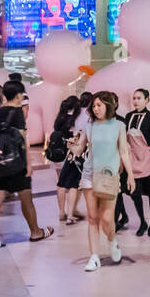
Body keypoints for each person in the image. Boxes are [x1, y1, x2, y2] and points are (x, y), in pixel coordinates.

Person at [0, 81, 54, 247]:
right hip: (17, 164)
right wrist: (28, 165)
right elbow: (22, 141)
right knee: (26, 198)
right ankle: (36, 232)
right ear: (19, 95)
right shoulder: (18, 113)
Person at [84, 91, 134, 272]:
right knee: (92, 218)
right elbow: (79, 148)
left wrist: (130, 175)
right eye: (94, 106)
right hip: (89, 174)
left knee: (106, 218)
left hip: (109, 175)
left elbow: (123, 152)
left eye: (99, 105)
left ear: (108, 106)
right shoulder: (88, 125)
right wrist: (71, 145)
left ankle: (112, 241)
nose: (96, 109)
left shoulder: (119, 125)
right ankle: (94, 257)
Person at [125, 88, 150, 236]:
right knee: (135, 193)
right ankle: (142, 221)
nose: (136, 101)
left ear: (146, 100)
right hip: (133, 159)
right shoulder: (128, 116)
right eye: (134, 98)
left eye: (139, 98)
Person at [52, 95, 86, 225]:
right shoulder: (76, 118)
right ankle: (71, 214)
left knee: (61, 183)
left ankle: (62, 212)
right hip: (71, 154)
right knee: (73, 184)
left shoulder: (60, 117)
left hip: (57, 154)